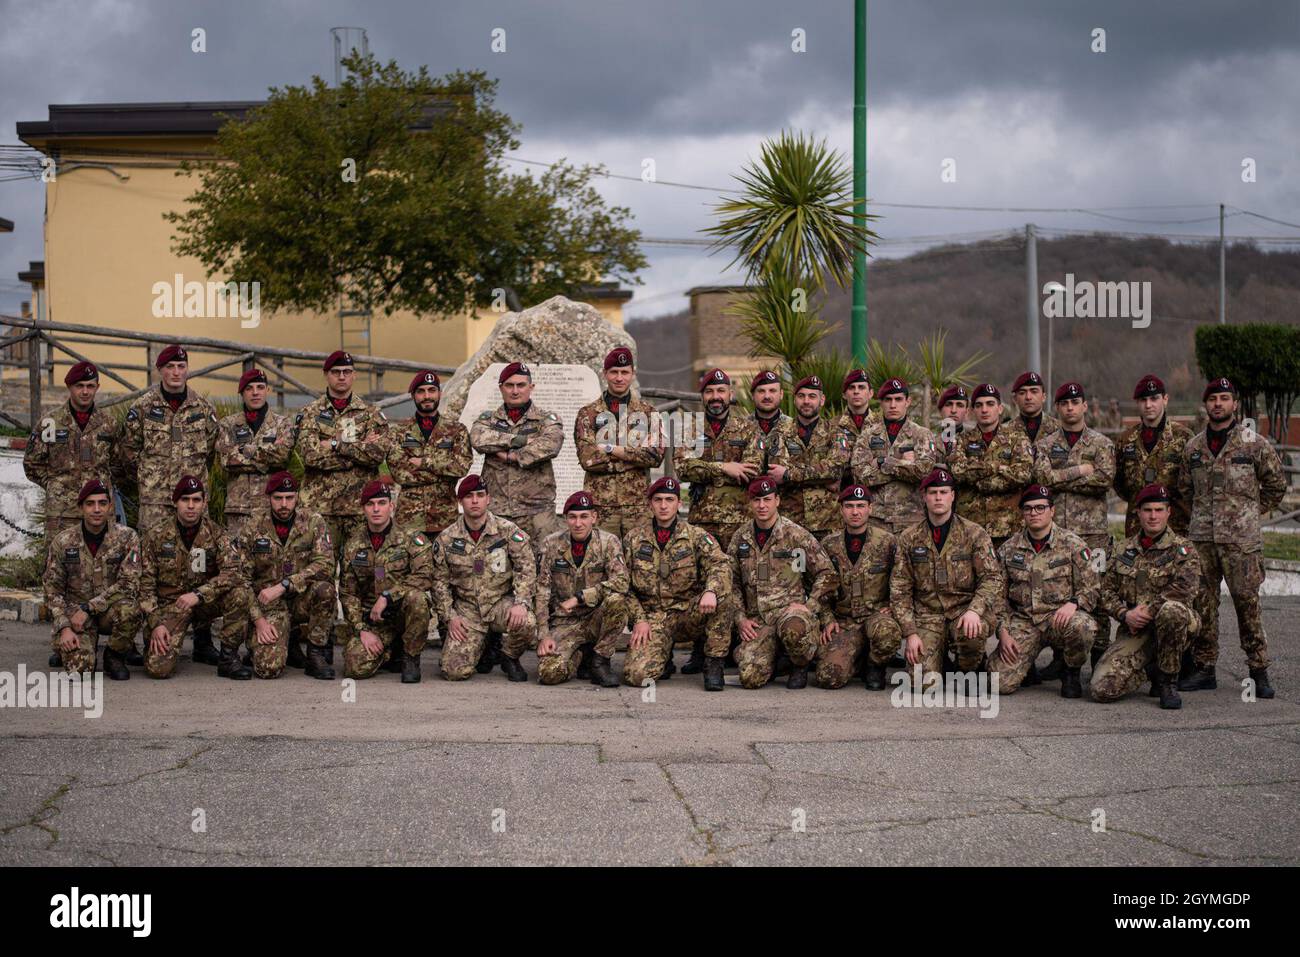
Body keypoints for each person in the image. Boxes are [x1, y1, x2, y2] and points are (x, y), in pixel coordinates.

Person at [1178, 378, 1286, 697]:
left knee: (1247, 604)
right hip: (1203, 541)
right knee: (1204, 604)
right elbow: (1185, 490)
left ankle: (1258, 670)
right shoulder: (1193, 448)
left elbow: (1276, 485)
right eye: (1213, 398)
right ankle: (1204, 667)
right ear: (1205, 404)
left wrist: (1249, 513)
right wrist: (1198, 518)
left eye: (1225, 398)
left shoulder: (1253, 443)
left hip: (1242, 543)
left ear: (1235, 404)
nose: (1218, 404)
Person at [890, 468, 1004, 687]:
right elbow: (899, 589)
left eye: (944, 492)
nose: (938, 497)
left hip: (964, 611)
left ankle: (970, 667)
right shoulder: (909, 538)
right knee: (921, 685)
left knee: (972, 633)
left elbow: (991, 578)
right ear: (924, 497)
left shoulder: (974, 534)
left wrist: (974, 610)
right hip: (927, 615)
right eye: (933, 492)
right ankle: (940, 662)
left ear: (953, 495)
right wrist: (910, 633)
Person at [1032, 381, 1117, 671]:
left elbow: (1104, 480)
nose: (1070, 408)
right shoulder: (1044, 446)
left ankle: (1100, 659)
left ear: (1084, 406)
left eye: (1075, 402)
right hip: (1057, 535)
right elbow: (1043, 480)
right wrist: (1081, 470)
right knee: (1059, 593)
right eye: (1064, 404)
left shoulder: (1102, 444)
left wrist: (1061, 477)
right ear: (1057, 408)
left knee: (1099, 596)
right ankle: (1063, 660)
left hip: (1093, 534)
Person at [1093, 484, 1201, 709]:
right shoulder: (1123, 550)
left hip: (1176, 622)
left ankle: (1168, 680)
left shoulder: (1183, 549)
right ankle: (1149, 668)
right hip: (1135, 628)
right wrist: (1125, 614)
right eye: (1148, 510)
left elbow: (1186, 588)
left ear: (1168, 512)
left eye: (1159, 510)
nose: (1153, 516)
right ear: (1138, 513)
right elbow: (1105, 591)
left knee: (1171, 611)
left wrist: (1150, 610)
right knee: (1101, 689)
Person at [991, 485, 1100, 697]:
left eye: (1040, 508)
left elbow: (1093, 587)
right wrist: (1003, 632)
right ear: (1022, 513)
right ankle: (1026, 666)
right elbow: (998, 597)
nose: (1034, 513)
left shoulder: (1074, 545)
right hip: (1024, 621)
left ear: (1052, 510)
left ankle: (1070, 671)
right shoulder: (1008, 549)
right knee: (999, 684)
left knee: (1083, 626)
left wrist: (1074, 603)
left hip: (1058, 619)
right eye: (1028, 508)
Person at [623, 477, 731, 690]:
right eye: (658, 500)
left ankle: (713, 662)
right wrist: (639, 619)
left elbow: (721, 565)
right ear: (650, 504)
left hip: (688, 614)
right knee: (637, 676)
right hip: (652, 619)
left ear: (678, 504)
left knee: (724, 594)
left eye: (670, 500)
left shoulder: (696, 536)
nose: (664, 506)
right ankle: (663, 660)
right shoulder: (633, 539)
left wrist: (711, 591)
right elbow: (623, 584)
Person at [728, 476, 835, 690]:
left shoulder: (795, 535)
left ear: (777, 500)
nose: (762, 505)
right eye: (757, 500)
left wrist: (809, 606)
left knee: (794, 629)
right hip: (759, 619)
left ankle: (800, 664)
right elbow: (731, 582)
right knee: (750, 678)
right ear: (750, 503)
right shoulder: (741, 537)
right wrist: (740, 619)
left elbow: (827, 573)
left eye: (767, 499)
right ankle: (777, 658)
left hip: (791, 613)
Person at [138, 475, 246, 679]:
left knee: (239, 594)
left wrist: (198, 594)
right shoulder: (156, 536)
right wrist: (156, 622)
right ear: (175, 502)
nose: (190, 506)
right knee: (158, 669)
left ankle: (228, 658)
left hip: (204, 602)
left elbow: (232, 573)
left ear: (204, 503)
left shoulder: (217, 534)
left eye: (196, 500)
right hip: (171, 605)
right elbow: (145, 586)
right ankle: (158, 640)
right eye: (185, 500)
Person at [432, 475, 537, 682]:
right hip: (467, 609)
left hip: (500, 604)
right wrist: (450, 617)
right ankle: (485, 644)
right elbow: (439, 582)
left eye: (480, 495)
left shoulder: (507, 531)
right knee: (454, 671)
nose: (475, 500)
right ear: (460, 501)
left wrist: (521, 603)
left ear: (488, 499)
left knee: (527, 622)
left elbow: (526, 567)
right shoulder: (446, 538)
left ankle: (509, 657)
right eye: (469, 496)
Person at [294, 350, 391, 569]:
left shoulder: (370, 413)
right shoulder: (310, 412)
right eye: (336, 372)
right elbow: (310, 456)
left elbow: (378, 453)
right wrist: (358, 450)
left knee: (359, 572)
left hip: (359, 509)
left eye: (347, 371)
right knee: (320, 571)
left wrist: (337, 444)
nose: (341, 376)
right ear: (326, 375)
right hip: (320, 509)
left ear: (354, 375)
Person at [235, 471, 336, 680]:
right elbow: (241, 580)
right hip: (269, 606)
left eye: (289, 498)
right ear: (268, 498)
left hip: (300, 598)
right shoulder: (253, 527)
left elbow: (325, 564)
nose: (284, 503)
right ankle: (262, 646)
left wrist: (286, 584)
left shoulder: (313, 522)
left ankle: (315, 654)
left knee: (325, 590)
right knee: (268, 669)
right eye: (278, 498)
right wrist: (259, 621)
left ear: (297, 497)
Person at [42, 480, 141, 680]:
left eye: (102, 503)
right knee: (81, 672)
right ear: (81, 507)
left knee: (130, 609)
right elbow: (52, 591)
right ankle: (75, 648)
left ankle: (114, 656)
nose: (97, 509)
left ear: (110, 506)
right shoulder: (63, 541)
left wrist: (89, 608)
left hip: (107, 611)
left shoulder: (127, 538)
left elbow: (128, 584)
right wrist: (65, 627)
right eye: (90, 504)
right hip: (74, 616)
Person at [339, 480, 435, 682]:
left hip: (402, 614)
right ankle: (390, 652)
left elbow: (425, 575)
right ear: (363, 508)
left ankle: (410, 656)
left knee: (417, 599)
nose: (376, 509)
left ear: (391, 506)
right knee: (354, 667)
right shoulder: (353, 545)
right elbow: (348, 593)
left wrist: (388, 596)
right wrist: (361, 630)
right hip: (373, 621)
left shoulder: (411, 539)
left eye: (381, 503)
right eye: (370, 504)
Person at [469, 362, 565, 558]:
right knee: (497, 569)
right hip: (498, 511)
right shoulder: (488, 420)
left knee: (543, 565)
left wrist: (510, 455)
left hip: (537, 512)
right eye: (509, 385)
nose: (515, 391)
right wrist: (520, 440)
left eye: (521, 385)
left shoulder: (546, 419)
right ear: (501, 388)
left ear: (531, 387)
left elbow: (550, 445)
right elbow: (478, 439)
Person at [535, 491, 629, 687]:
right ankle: (579, 656)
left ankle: (599, 661)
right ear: (565, 519)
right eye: (573, 517)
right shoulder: (551, 544)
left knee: (617, 602)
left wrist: (580, 597)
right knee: (549, 674)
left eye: (584, 516)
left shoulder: (608, 542)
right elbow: (542, 591)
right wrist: (544, 635)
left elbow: (621, 581)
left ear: (593, 517)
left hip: (597, 618)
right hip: (565, 622)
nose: (578, 523)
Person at [121, 344, 218, 533]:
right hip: (155, 502)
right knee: (152, 557)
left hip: (193, 502)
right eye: (170, 367)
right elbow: (128, 453)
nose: (176, 372)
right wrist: (149, 479)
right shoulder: (142, 408)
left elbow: (210, 452)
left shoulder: (203, 409)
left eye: (181, 366)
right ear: (160, 370)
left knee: (195, 553)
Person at [23, 360, 122, 541]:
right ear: (69, 386)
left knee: (101, 563)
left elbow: (118, 463)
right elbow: (32, 463)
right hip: (62, 512)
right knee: (59, 564)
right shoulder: (50, 422)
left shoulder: (109, 424)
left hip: (99, 512)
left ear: (97, 387)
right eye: (80, 386)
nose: (85, 391)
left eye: (90, 386)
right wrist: (57, 486)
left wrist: (103, 485)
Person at [573, 347, 665, 539]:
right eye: (614, 372)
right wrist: (635, 454)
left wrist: (610, 448)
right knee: (601, 563)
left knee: (639, 564)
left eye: (625, 372)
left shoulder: (649, 413)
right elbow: (588, 460)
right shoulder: (588, 414)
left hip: (638, 508)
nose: (619, 378)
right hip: (601, 508)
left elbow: (655, 456)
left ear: (633, 374)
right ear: (605, 374)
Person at [816, 485, 902, 690]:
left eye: (861, 506)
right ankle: (856, 658)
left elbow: (902, 579)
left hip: (875, 616)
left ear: (870, 509)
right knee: (829, 677)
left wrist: (893, 605)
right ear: (841, 510)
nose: (855, 512)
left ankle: (875, 665)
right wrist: (827, 619)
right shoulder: (829, 544)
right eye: (849, 506)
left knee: (887, 633)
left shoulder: (887, 542)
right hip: (844, 621)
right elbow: (819, 587)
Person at [385, 369, 473, 538]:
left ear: (440, 393)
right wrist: (443, 471)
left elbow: (461, 468)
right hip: (410, 519)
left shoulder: (456, 430)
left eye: (431, 390)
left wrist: (423, 463)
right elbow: (400, 474)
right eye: (421, 391)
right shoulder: (399, 432)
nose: (427, 396)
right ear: (413, 396)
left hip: (445, 518)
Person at [946, 383, 1034, 549]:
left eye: (990, 404)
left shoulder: (1017, 439)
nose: (984, 410)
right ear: (972, 411)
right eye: (979, 405)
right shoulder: (960, 440)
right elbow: (958, 471)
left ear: (1000, 409)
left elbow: (1023, 474)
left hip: (1008, 527)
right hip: (971, 526)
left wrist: (980, 478)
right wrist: (998, 467)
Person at [215, 367, 295, 543]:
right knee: (238, 560)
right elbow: (227, 460)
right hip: (239, 508)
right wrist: (268, 457)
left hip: (272, 507)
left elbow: (282, 456)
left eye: (260, 387)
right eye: (249, 389)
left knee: (269, 560)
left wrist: (247, 451)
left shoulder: (282, 423)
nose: (255, 393)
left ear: (267, 390)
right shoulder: (228, 424)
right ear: (242, 393)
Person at [849, 378, 939, 535]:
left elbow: (924, 472)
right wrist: (905, 465)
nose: (893, 405)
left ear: (908, 401)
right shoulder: (868, 436)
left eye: (898, 399)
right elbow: (859, 475)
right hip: (876, 518)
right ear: (881, 402)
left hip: (910, 518)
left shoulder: (922, 435)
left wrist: (883, 461)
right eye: (888, 400)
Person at [1113, 374, 1193, 538]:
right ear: (1137, 403)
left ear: (1165, 399)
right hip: (1137, 529)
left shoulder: (1184, 438)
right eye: (1143, 400)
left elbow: (1192, 485)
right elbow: (1119, 483)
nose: (1149, 405)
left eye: (1154, 398)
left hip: (1175, 529)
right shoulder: (1126, 440)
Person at [775, 375, 850, 538]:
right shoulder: (780, 432)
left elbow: (835, 470)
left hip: (827, 523)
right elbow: (776, 471)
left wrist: (789, 474)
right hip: (790, 522)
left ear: (822, 400)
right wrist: (822, 477)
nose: (806, 401)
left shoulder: (835, 432)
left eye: (812, 396)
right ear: (794, 400)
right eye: (801, 396)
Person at [1004, 371, 1059, 454]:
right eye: (1022, 393)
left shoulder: (1060, 430)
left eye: (1034, 392)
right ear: (1015, 399)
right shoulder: (1003, 432)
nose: (1028, 397)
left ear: (1044, 397)